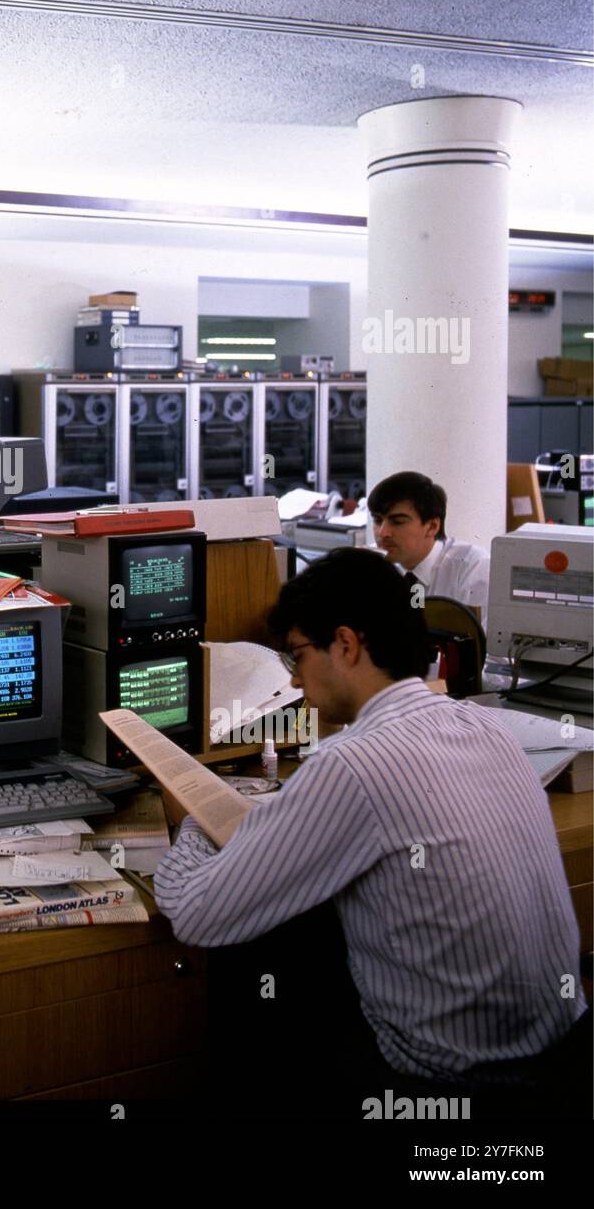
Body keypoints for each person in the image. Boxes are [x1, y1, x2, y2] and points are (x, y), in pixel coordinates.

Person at [154, 548, 585, 1100]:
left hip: (448, 1081)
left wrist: (193, 817)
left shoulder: (352, 765)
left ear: (346, 645)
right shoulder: (486, 728)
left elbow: (196, 915)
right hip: (561, 1061)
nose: (291, 683)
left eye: (296, 657)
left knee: (254, 954)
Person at [368, 470, 490, 622]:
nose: (383, 532)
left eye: (397, 522)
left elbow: (480, 641)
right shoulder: (370, 564)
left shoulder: (472, 567)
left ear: (432, 526)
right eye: (378, 520)